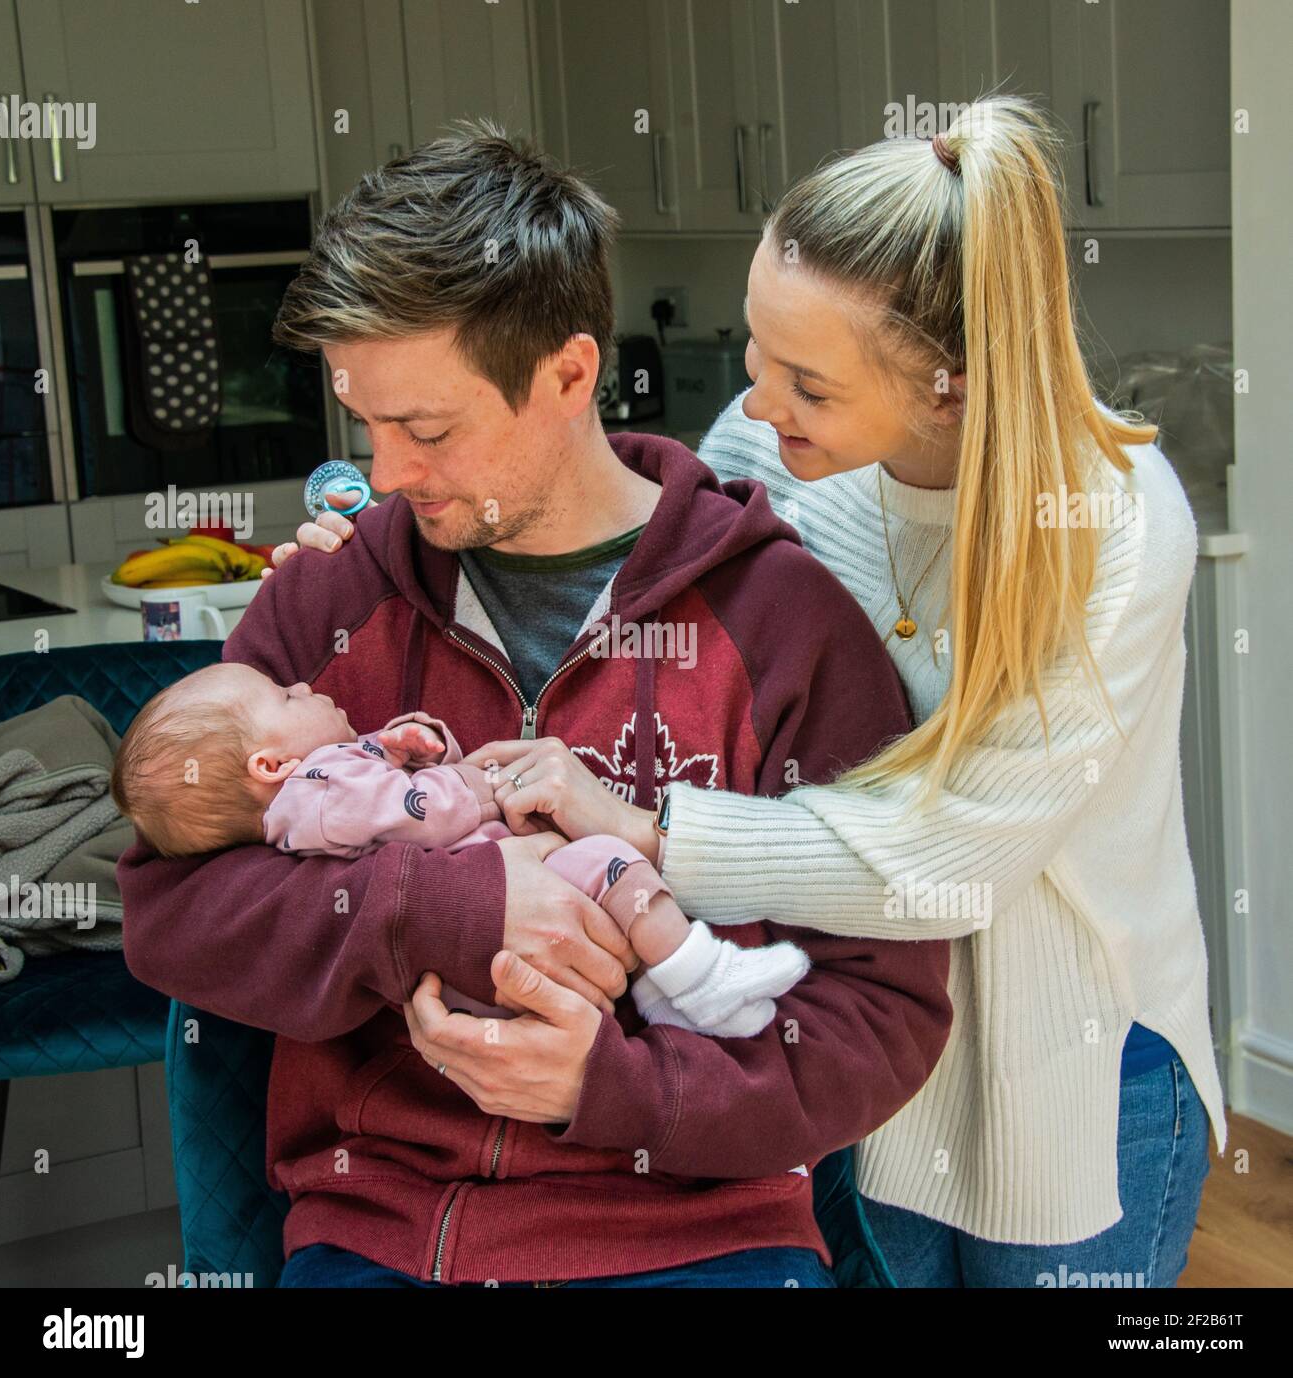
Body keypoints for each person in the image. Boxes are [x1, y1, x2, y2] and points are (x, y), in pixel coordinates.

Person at [286, 99, 1225, 1288]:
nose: (759, 409)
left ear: (951, 386)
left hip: (1080, 1058)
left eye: (810, 385)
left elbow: (952, 857)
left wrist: (645, 829)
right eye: (756, 354)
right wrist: (370, 541)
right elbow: (633, 525)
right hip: (880, 1049)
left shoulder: (1110, 523)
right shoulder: (773, 443)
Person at [117, 122, 953, 1289]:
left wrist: (611, 1092)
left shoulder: (785, 626)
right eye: (369, 422)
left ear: (568, 374)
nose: (387, 471)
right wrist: (435, 905)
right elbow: (170, 911)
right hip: (380, 1235)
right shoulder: (327, 602)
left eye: (427, 428)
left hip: (700, 1238)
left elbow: (883, 1009)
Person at [110, 663, 811, 1035]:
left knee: (610, 867)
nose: (301, 684)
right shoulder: (317, 790)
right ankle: (699, 975)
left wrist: (407, 746)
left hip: (497, 975)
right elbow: (417, 814)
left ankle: (667, 993)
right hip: (489, 974)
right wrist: (485, 785)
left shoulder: (320, 782)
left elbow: (383, 789)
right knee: (614, 864)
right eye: (286, 698)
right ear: (270, 767)